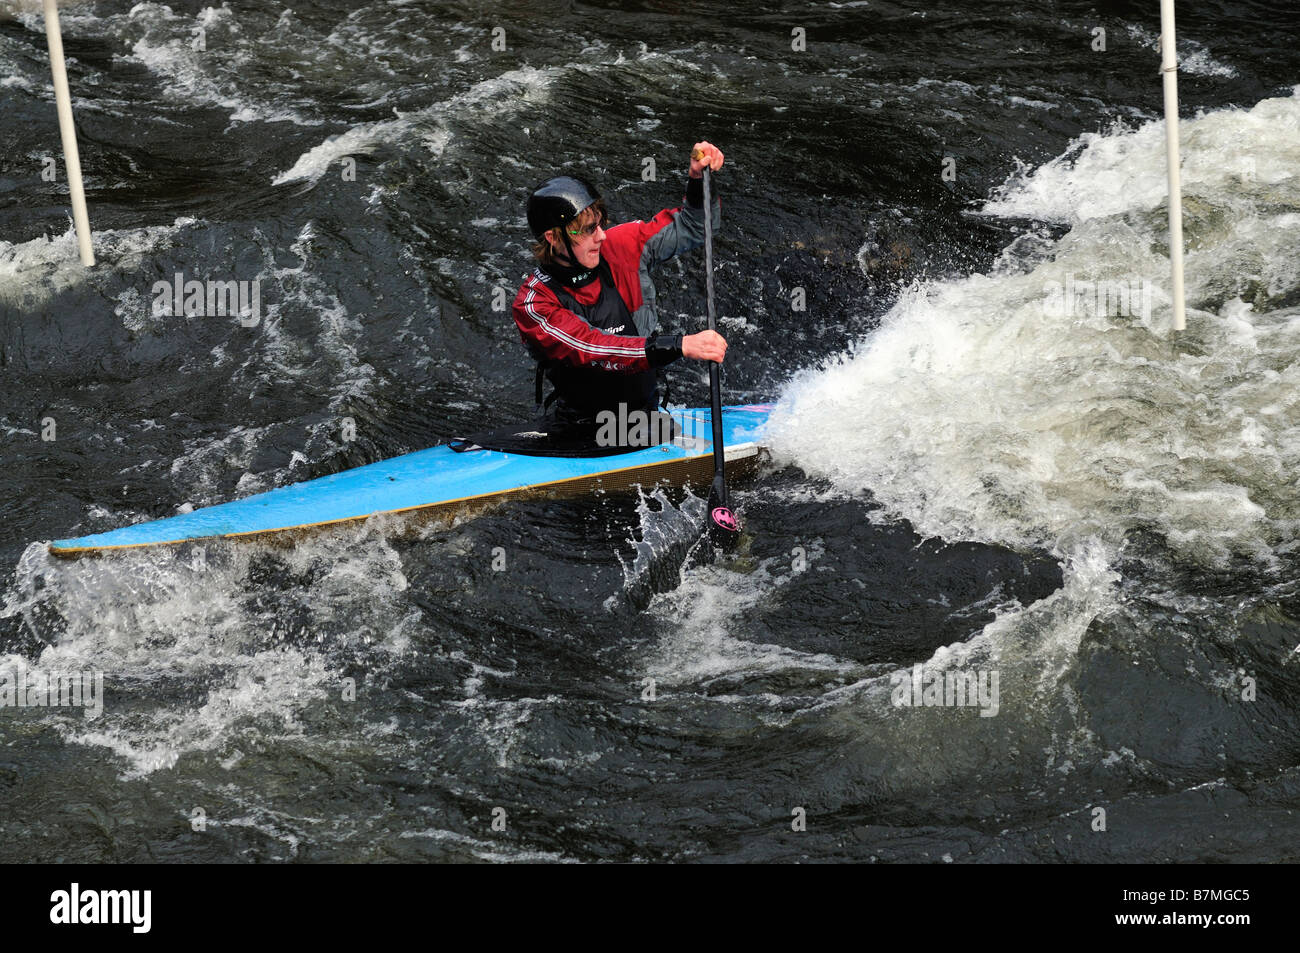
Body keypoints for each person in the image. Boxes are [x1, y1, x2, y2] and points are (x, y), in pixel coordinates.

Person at [511, 141, 728, 432]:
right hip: (582, 429)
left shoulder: (621, 247)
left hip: (646, 420)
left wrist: (699, 181)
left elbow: (695, 227)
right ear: (553, 238)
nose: (601, 236)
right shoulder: (535, 303)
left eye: (600, 224)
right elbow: (592, 347)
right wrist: (679, 345)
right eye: (589, 229)